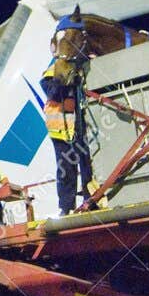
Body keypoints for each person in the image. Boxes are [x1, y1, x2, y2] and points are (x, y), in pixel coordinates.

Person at [42, 65, 92, 213]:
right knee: (66, 169)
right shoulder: (52, 72)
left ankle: (90, 200)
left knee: (87, 166)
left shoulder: (83, 69)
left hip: (80, 127)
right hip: (61, 131)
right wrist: (66, 80)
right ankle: (66, 206)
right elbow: (54, 93)